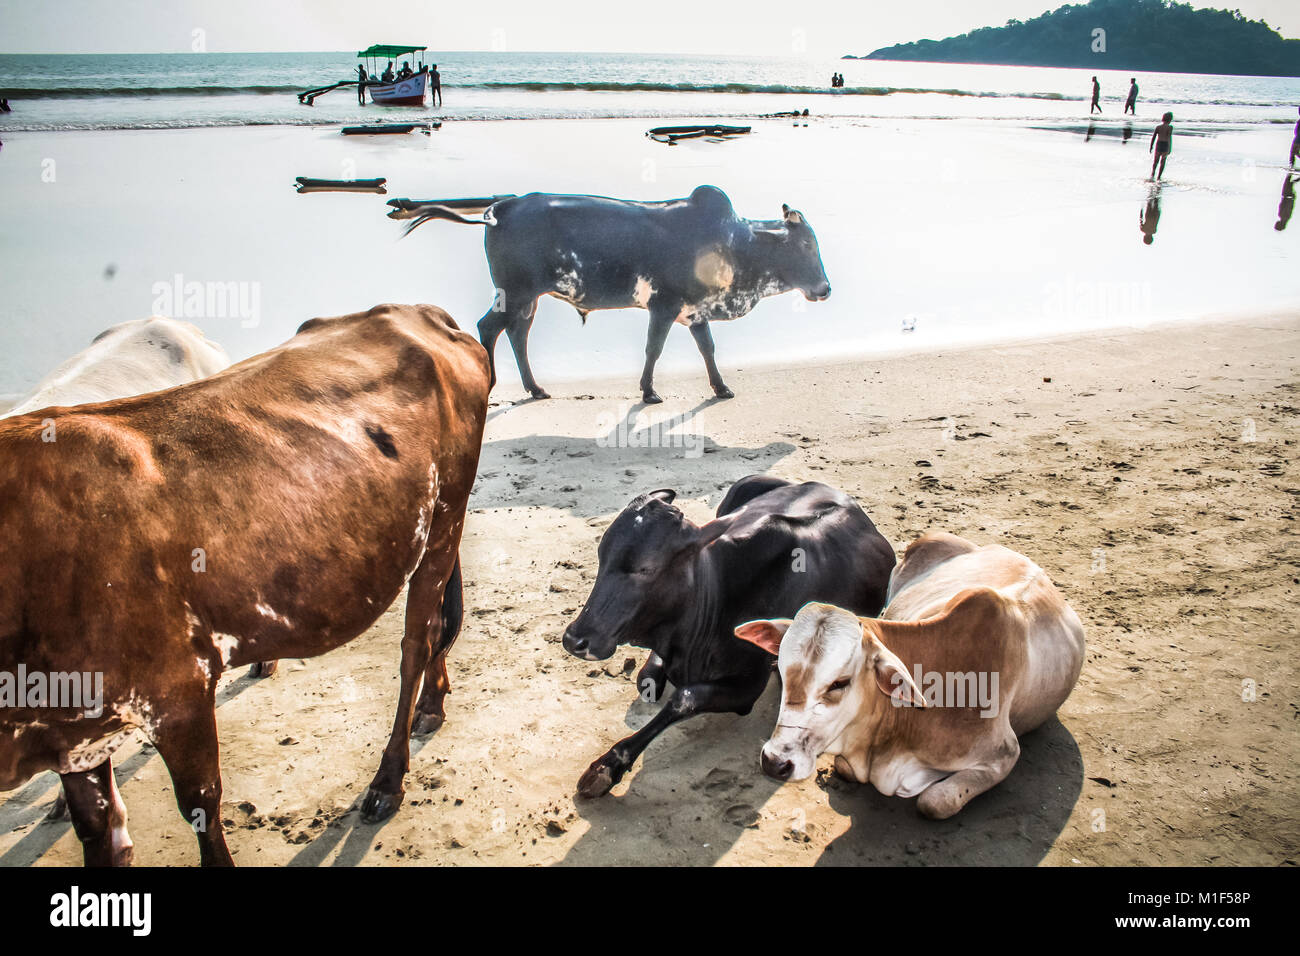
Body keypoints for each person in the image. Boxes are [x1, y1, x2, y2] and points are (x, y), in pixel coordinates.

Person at [1149, 111, 1174, 180]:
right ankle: (1159, 177)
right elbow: (1169, 138)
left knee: (1155, 161)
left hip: (1159, 144)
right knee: (1163, 162)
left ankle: (1153, 173)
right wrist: (1170, 148)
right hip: (1165, 144)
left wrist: (1151, 146)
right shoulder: (1170, 127)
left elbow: (1153, 137)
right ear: (1170, 119)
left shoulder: (1158, 127)